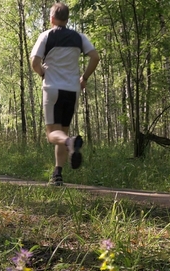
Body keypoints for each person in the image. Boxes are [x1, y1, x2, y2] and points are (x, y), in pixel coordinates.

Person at [30, 3, 100, 186]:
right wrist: (83, 78)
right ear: (67, 19)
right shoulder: (79, 37)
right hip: (72, 90)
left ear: (52, 19)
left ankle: (70, 142)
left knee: (53, 134)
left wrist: (42, 73)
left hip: (52, 89)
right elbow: (95, 57)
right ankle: (58, 175)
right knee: (62, 132)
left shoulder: (46, 36)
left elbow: (34, 61)